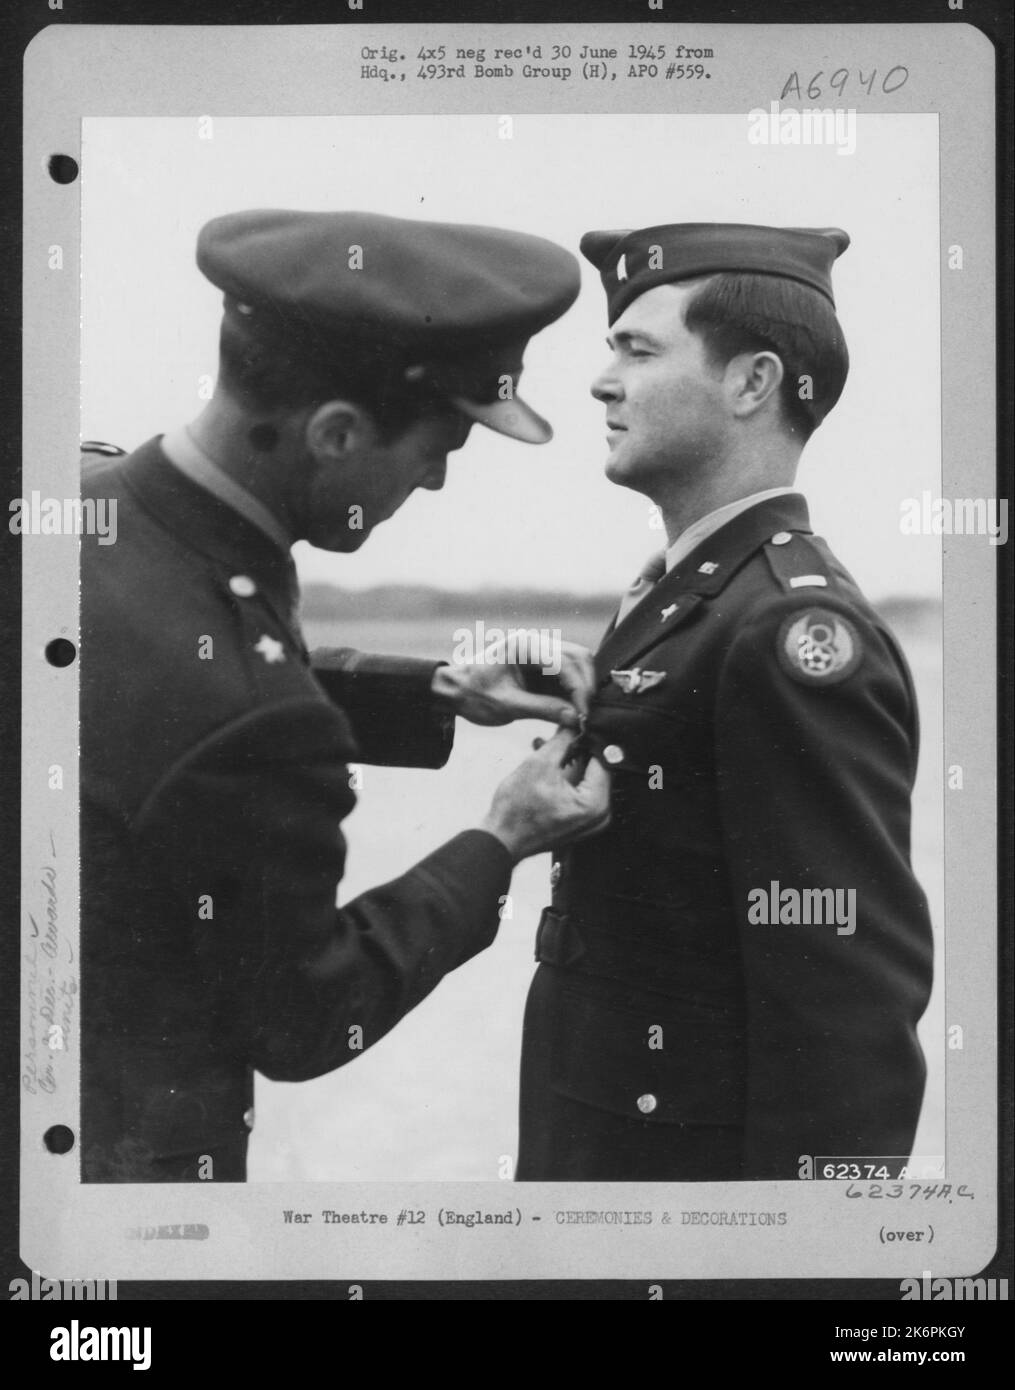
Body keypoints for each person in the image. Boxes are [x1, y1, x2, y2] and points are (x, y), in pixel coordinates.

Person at [79, 209, 610, 1183]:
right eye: (437, 444)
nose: (441, 480)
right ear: (333, 433)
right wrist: (499, 840)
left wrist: (437, 687)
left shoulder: (81, 499)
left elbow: (159, 685)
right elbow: (305, 1014)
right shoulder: (245, 711)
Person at [516, 221, 934, 1182]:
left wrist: (807, 1263)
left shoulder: (785, 633)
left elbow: (846, 1008)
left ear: (752, 383)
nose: (600, 381)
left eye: (637, 349)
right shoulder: (690, 598)